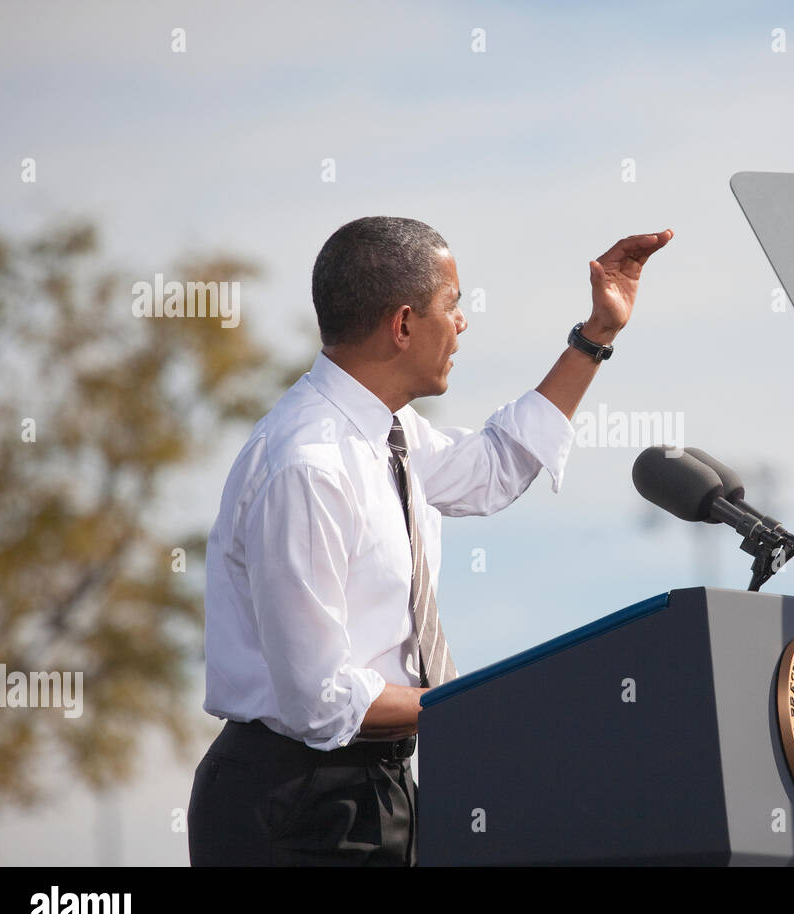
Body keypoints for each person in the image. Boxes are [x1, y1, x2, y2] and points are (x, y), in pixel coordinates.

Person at [188, 216, 672, 866]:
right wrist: (481, 704)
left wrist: (597, 334)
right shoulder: (308, 464)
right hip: (294, 806)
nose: (463, 324)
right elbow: (321, 700)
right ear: (405, 324)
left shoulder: (388, 432)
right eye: (454, 305)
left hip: (375, 785)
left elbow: (494, 469)